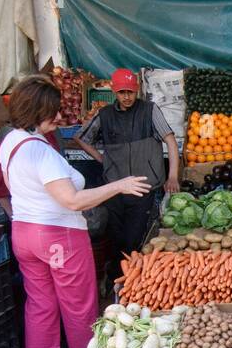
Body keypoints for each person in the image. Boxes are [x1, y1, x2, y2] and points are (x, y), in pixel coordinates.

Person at [0, 74, 150, 348]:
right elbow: (71, 200)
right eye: (52, 111)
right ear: (37, 110)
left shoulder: (10, 143)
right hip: (57, 236)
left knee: (39, 302)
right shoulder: (40, 152)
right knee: (78, 302)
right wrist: (118, 186)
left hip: (24, 233)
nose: (59, 116)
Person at [73, 68, 180, 261]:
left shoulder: (150, 110)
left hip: (144, 189)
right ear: (114, 91)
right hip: (115, 190)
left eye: (130, 92)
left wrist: (172, 176)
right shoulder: (104, 115)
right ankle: (117, 282)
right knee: (116, 241)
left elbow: (170, 141)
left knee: (136, 241)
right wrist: (103, 159)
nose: (127, 97)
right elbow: (81, 138)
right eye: (122, 92)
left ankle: (135, 281)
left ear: (137, 89)